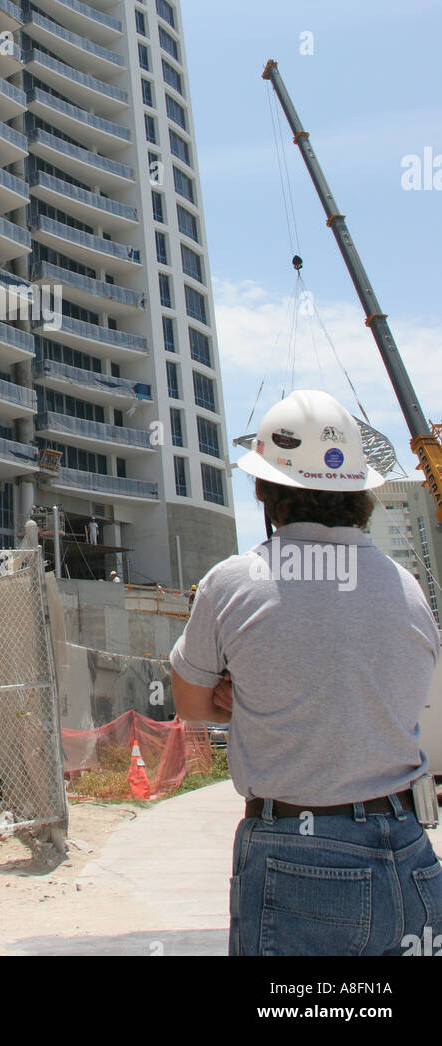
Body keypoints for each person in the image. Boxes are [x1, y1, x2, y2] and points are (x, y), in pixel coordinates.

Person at [169, 388, 442, 957]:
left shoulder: (232, 583)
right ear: (360, 492)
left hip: (298, 859)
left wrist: (247, 695)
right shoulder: (408, 589)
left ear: (265, 490)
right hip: (412, 851)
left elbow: (192, 707)